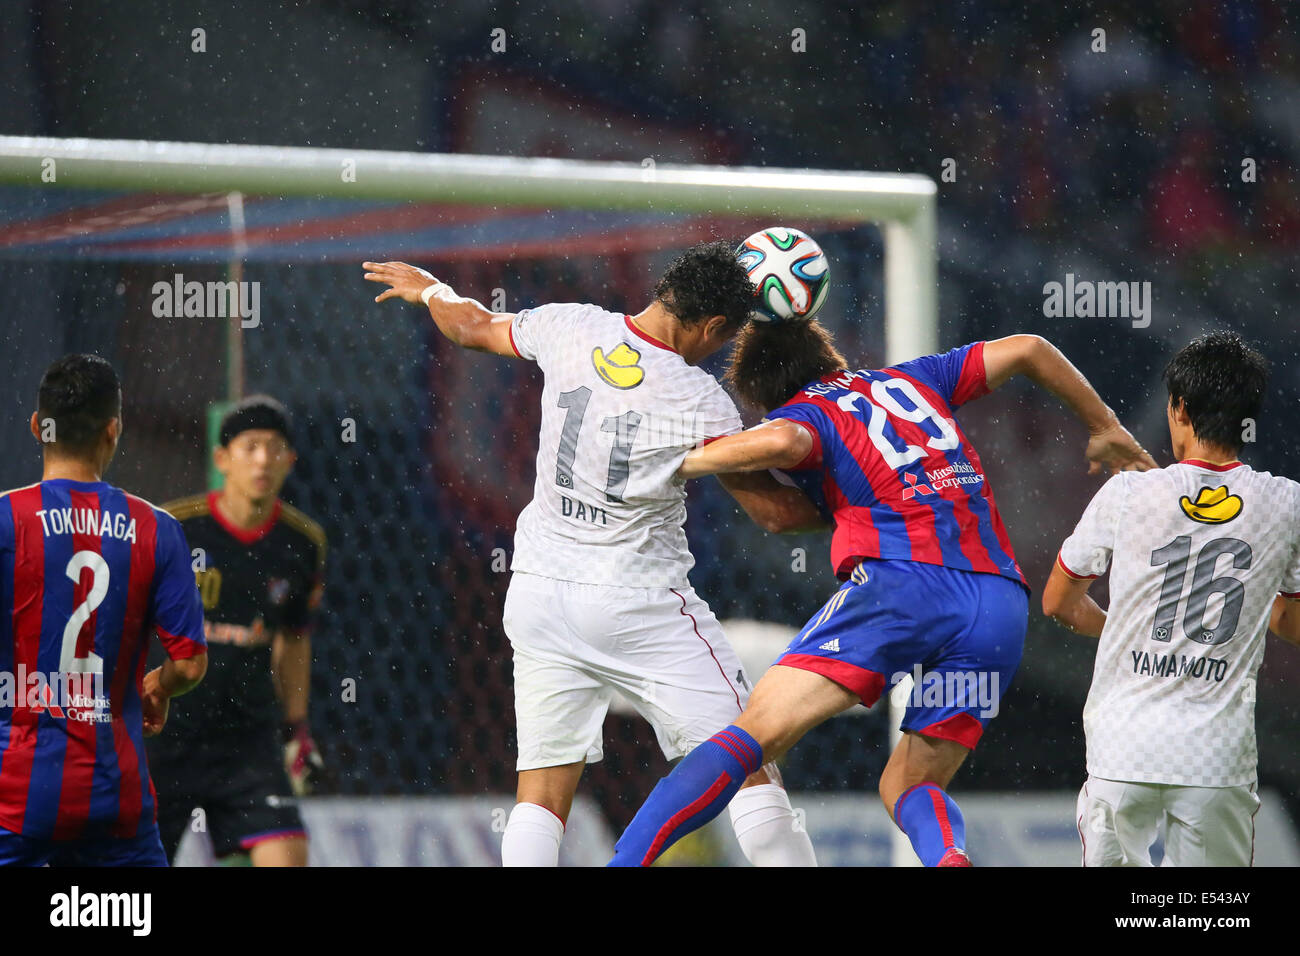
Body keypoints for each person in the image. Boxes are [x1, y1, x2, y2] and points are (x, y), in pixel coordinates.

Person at [609, 319, 1155, 866]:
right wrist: (1103, 423)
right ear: (831, 355)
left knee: (750, 738)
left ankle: (621, 862)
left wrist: (679, 461)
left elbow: (784, 441)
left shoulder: (802, 413)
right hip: (997, 605)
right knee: (909, 783)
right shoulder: (916, 379)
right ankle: (948, 858)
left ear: (765, 395)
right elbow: (1028, 348)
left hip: (902, 586)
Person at [364, 244, 820, 866]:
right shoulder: (699, 399)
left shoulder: (569, 324)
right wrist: (862, 494)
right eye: (725, 336)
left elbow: (472, 326)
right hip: (639, 602)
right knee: (748, 760)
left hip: (541, 593)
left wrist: (432, 291)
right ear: (714, 328)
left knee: (541, 795)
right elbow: (774, 514)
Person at [1043, 330, 1295, 867]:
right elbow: (1291, 622)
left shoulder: (1129, 492)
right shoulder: (1287, 504)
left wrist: (1125, 625)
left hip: (1122, 749)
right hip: (1214, 760)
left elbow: (1058, 602)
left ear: (1178, 408)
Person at [0, 354, 207, 866]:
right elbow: (188, 664)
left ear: (36, 427)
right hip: (114, 803)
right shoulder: (158, 529)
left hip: (13, 800)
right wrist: (158, 685)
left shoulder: (6, 521)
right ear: (113, 430)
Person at [148, 395, 327, 867]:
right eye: (250, 447)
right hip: (165, 736)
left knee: (288, 858)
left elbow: (293, 639)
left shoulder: (302, 543)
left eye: (275, 448)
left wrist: (296, 727)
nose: (264, 459)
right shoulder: (171, 529)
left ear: (290, 460)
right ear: (222, 459)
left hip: (248, 742)